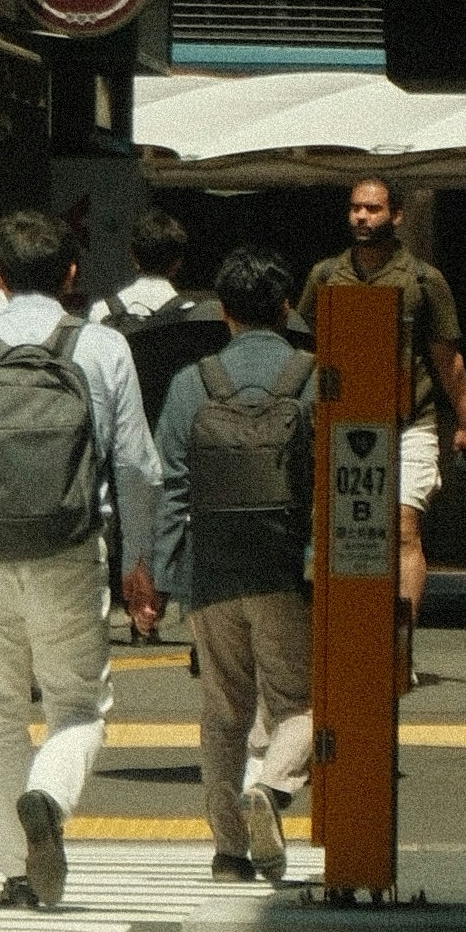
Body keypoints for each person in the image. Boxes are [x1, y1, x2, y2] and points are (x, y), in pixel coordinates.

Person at [0, 205, 162, 909]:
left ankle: (16, 877)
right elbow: (137, 466)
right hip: (70, 550)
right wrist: (137, 562)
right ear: (71, 275)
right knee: (79, 706)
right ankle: (48, 797)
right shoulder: (102, 347)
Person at [158, 238, 320, 880]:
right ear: (285, 307)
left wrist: (165, 576)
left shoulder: (191, 384)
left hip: (212, 572)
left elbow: (171, 484)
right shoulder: (314, 377)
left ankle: (228, 849)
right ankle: (273, 789)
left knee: (224, 712)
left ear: (223, 311)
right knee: (303, 704)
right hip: (289, 570)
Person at [335, 173, 466, 658]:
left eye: (373, 209)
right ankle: (353, 640)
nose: (362, 216)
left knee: (404, 527)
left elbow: (447, 357)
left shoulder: (424, 280)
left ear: (396, 215)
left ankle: (399, 644)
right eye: (356, 207)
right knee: (348, 533)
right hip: (343, 426)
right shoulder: (327, 276)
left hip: (410, 421)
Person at [111, 200, 227, 426]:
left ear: (133, 256)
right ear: (178, 263)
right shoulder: (195, 318)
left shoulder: (102, 312)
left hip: (122, 425)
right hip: (173, 424)